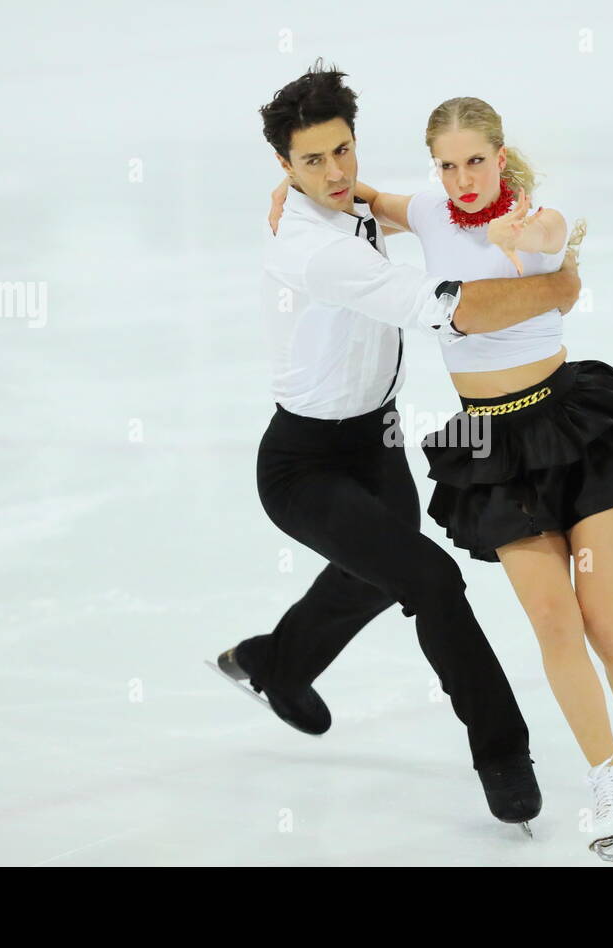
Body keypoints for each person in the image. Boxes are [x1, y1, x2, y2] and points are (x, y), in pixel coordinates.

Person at [270, 96, 613, 861]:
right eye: (447, 166)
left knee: (604, 620)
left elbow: (546, 239)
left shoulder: (538, 223)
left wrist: (526, 235)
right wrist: (293, 187)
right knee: (553, 625)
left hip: (573, 434)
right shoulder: (426, 210)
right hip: (491, 451)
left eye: (474, 161)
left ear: (499, 155)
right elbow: (360, 199)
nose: (461, 179)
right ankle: (609, 784)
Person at [217, 62, 582, 833]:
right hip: (303, 463)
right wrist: (553, 289)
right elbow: (441, 309)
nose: (336, 171)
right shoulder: (317, 250)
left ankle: (274, 663)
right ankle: (504, 757)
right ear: (283, 165)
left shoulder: (344, 205)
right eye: (311, 161)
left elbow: (387, 206)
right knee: (431, 579)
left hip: (375, 441)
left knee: (377, 574)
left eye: (342, 150)